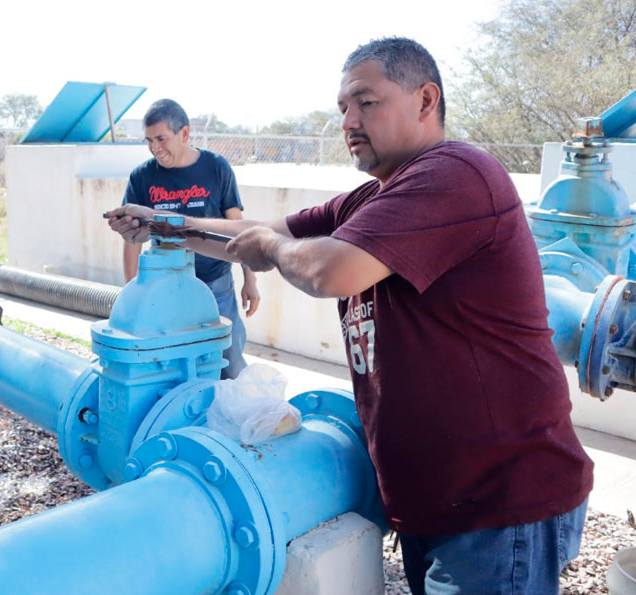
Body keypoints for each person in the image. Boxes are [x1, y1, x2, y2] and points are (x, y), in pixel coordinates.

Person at [107, 38, 593, 594]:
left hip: (498, 501)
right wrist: (160, 224)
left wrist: (267, 248)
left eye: (366, 102)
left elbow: (328, 271)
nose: (349, 120)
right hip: (441, 499)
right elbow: (255, 233)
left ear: (425, 99)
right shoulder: (370, 200)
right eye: (342, 108)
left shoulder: (456, 174)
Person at [122, 98, 260, 380]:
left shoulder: (216, 167)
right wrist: (133, 293)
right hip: (165, 289)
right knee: (172, 366)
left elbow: (238, 227)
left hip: (216, 286)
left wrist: (251, 279)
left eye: (161, 138)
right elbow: (132, 240)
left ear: (184, 134)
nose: (154, 148)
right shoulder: (141, 177)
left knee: (229, 364)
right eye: (148, 140)